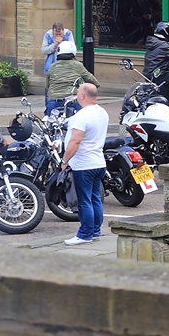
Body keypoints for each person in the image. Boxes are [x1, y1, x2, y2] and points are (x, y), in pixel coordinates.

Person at [60, 82, 110, 246]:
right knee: (95, 198)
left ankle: (85, 234)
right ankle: (95, 230)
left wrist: (64, 160)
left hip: (84, 164)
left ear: (82, 96)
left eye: (77, 93)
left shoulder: (82, 116)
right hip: (98, 162)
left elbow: (75, 141)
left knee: (84, 200)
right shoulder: (102, 112)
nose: (75, 96)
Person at [44, 40, 97, 112]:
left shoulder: (52, 66)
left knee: (49, 119)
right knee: (83, 117)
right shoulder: (78, 65)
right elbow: (94, 82)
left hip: (53, 101)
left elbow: (47, 85)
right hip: (72, 101)